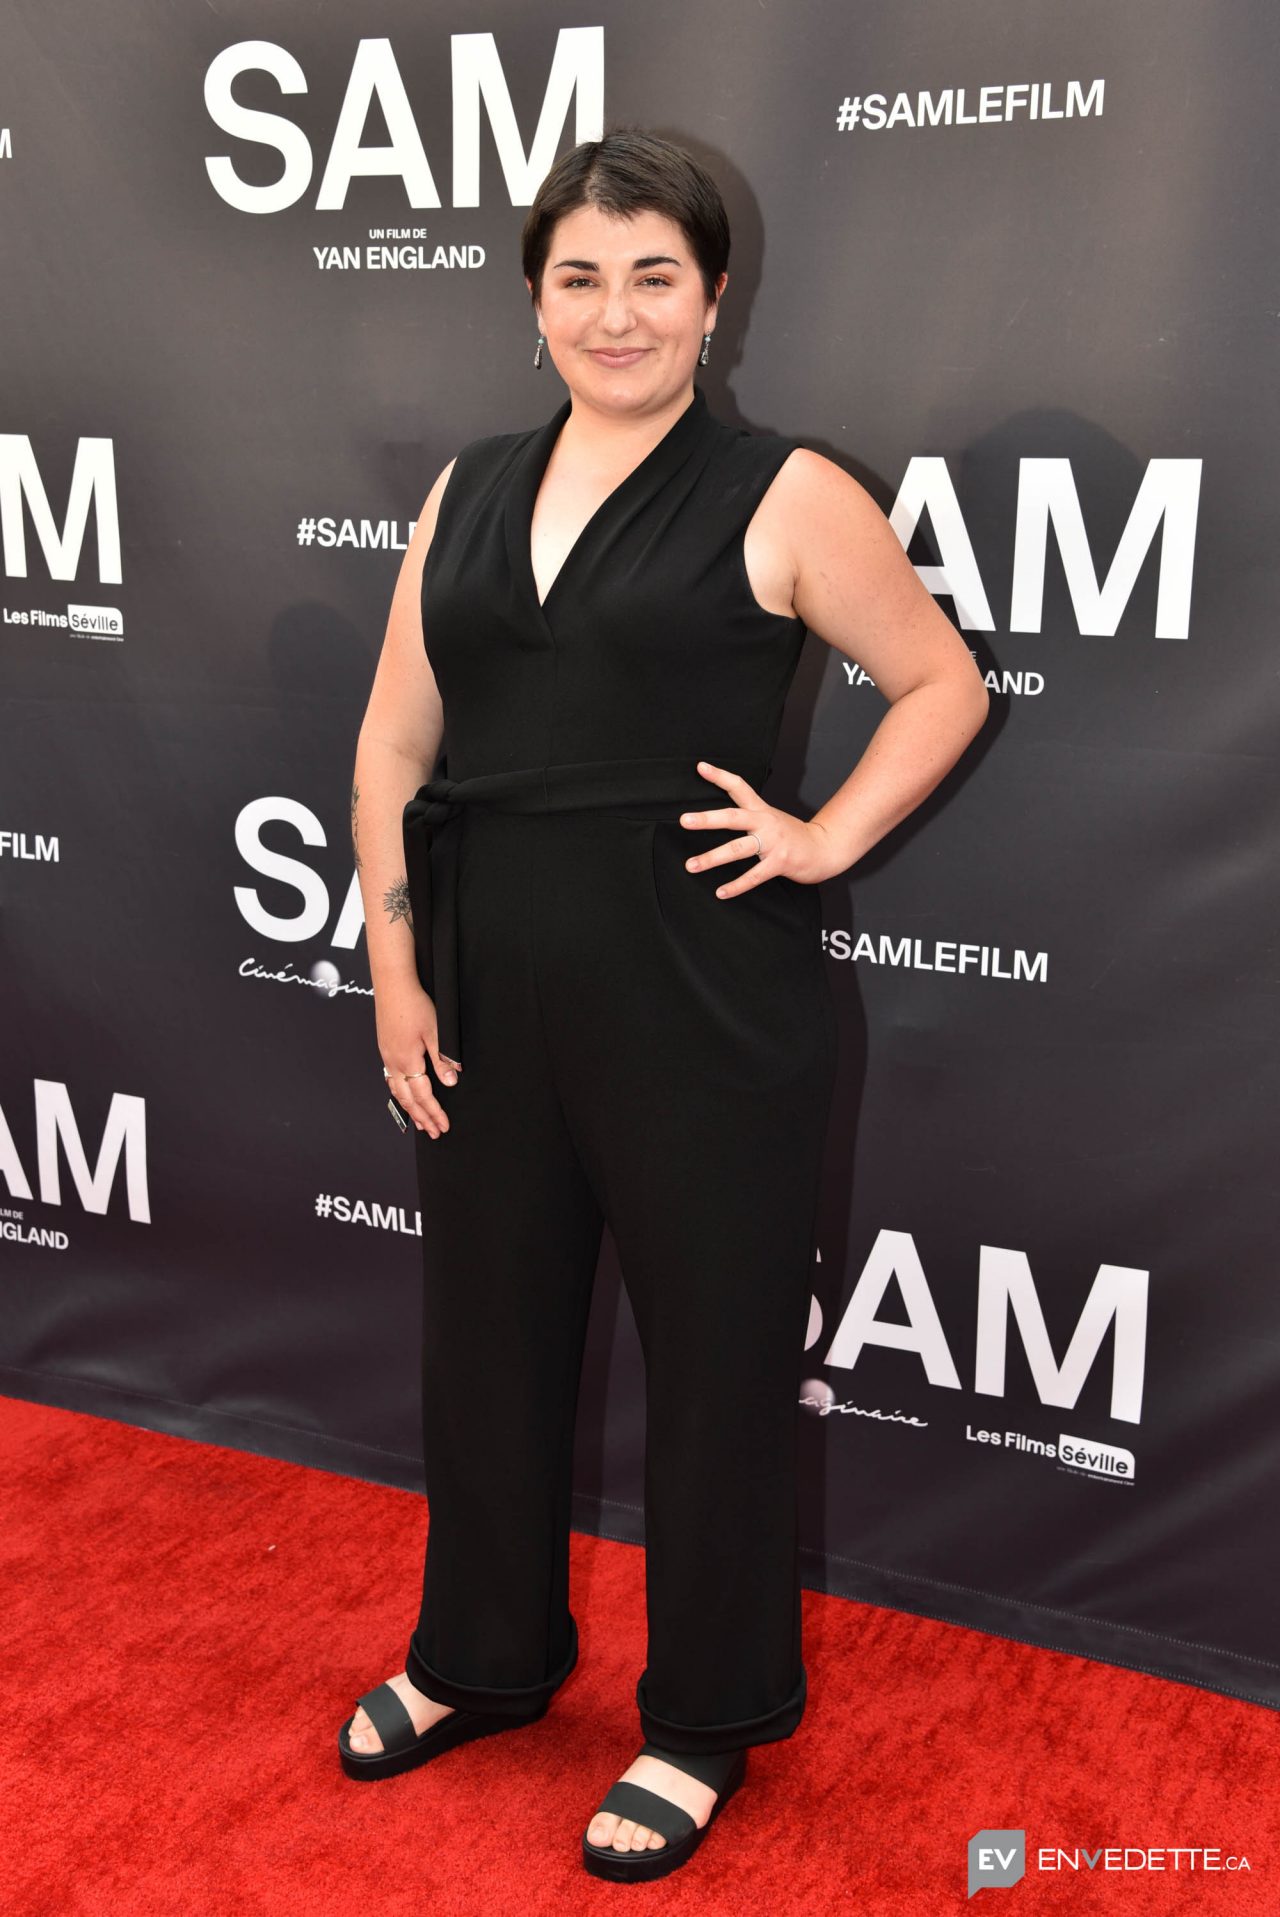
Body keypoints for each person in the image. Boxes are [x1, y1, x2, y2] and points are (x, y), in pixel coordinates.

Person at [340, 127, 989, 1883]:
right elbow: (397, 740)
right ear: (533, 299)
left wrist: (825, 832)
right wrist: (394, 966)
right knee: (484, 1341)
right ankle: (479, 1657)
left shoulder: (786, 493)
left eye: (653, 276)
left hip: (706, 1002)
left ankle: (701, 1721)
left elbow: (938, 678)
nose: (614, 313)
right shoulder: (468, 489)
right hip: (482, 980)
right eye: (578, 276)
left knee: (712, 1372)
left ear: (713, 298)